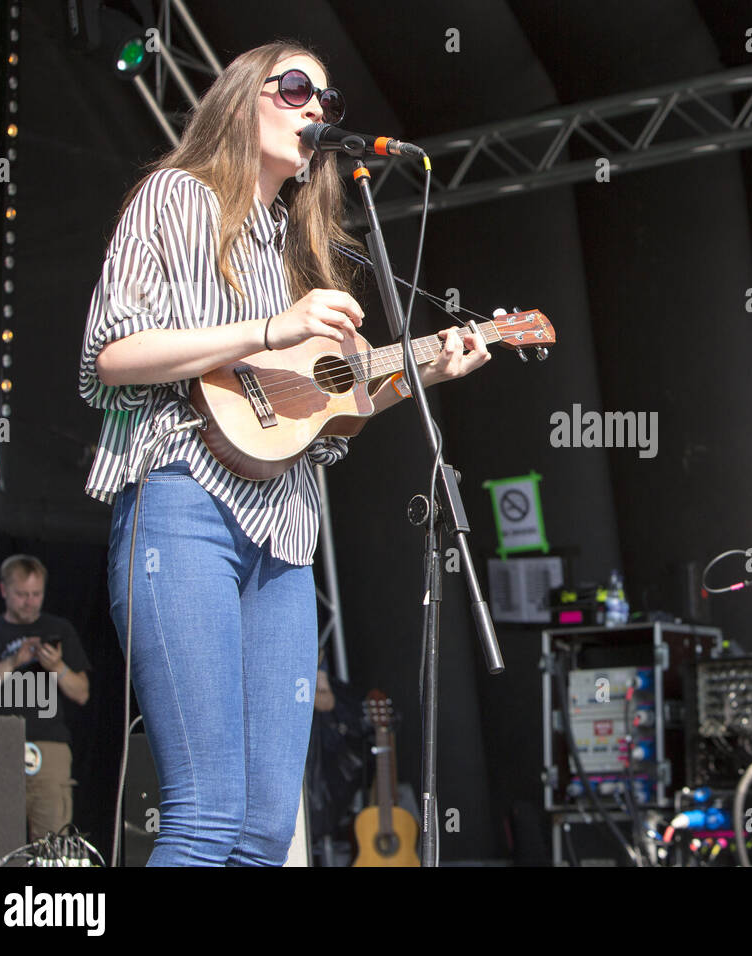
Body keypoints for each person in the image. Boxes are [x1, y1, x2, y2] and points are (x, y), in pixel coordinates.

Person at [77, 43, 489, 866]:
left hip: (285, 540)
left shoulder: (302, 248)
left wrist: (419, 374)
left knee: (268, 831)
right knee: (204, 815)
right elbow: (109, 358)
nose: (316, 109)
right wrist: (271, 328)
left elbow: (317, 418)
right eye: (296, 88)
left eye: (328, 102)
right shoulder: (176, 197)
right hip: (181, 503)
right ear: (240, 99)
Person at [0, 555, 90, 841]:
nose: (30, 602)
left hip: (48, 746)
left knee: (51, 839)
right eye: (22, 595)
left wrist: (57, 667)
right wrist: (13, 662)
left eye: (36, 594)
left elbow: (82, 693)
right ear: (4, 591)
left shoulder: (60, 629)